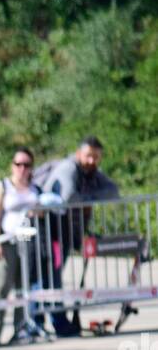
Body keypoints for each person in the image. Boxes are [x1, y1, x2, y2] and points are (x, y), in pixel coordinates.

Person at [38, 136, 120, 337]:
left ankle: (52, 321)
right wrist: (90, 199)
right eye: (88, 156)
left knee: (52, 275)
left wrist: (87, 199)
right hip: (46, 229)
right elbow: (69, 197)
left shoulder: (91, 173)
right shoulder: (68, 168)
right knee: (48, 276)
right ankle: (53, 322)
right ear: (78, 154)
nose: (92, 161)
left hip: (62, 229)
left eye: (96, 157)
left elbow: (113, 192)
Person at [0, 146, 50, 343]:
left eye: (26, 165)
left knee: (24, 288)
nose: (22, 168)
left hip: (28, 244)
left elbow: (43, 213)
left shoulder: (35, 189)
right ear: (12, 166)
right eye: (18, 164)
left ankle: (20, 328)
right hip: (7, 242)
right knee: (2, 287)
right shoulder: (2, 186)